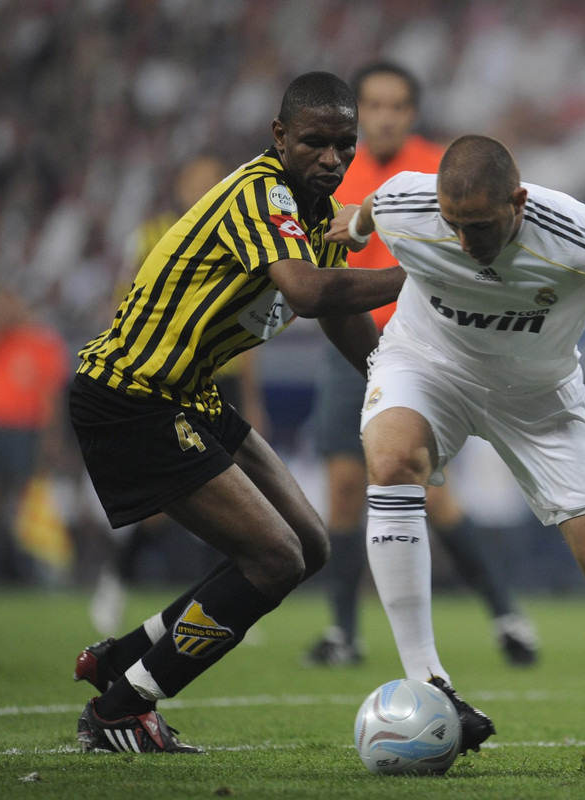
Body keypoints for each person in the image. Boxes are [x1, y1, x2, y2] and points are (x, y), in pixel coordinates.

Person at [330, 134, 585, 755]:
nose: (463, 241)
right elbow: (377, 203)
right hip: (427, 364)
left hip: (538, 397)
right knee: (392, 458)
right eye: (453, 224)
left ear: (518, 202)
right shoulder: (409, 203)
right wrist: (354, 224)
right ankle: (428, 681)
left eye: (479, 226)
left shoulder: (580, 237)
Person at [69, 71, 406, 753]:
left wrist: (391, 392)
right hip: (134, 394)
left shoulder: (314, 207)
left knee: (308, 544)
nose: (333, 158)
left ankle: (122, 657)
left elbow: (337, 313)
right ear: (280, 135)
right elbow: (307, 292)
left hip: (190, 394)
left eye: (345, 145)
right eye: (315, 142)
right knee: (274, 558)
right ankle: (120, 708)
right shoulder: (262, 192)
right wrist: (423, 274)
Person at [305, 61, 538, 669]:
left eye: (396, 106)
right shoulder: (333, 171)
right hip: (346, 340)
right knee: (344, 489)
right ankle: (343, 632)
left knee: (432, 494)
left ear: (411, 113)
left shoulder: (441, 170)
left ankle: (506, 615)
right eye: (373, 105)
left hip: (422, 345)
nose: (384, 117)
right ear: (358, 114)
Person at [89, 151, 269, 636]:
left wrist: (253, 398)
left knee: (237, 496)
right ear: (180, 186)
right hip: (170, 378)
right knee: (167, 501)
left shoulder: (244, 237)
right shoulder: (152, 236)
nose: (205, 188)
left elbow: (249, 327)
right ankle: (117, 577)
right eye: (197, 180)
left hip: (223, 380)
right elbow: (122, 306)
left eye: (213, 180)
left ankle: (229, 606)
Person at [0, 284, 69, 582]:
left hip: (24, 431)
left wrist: (51, 440)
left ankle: (25, 569)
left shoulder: (40, 342)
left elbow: (52, 397)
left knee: (23, 503)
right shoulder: (1, 339)